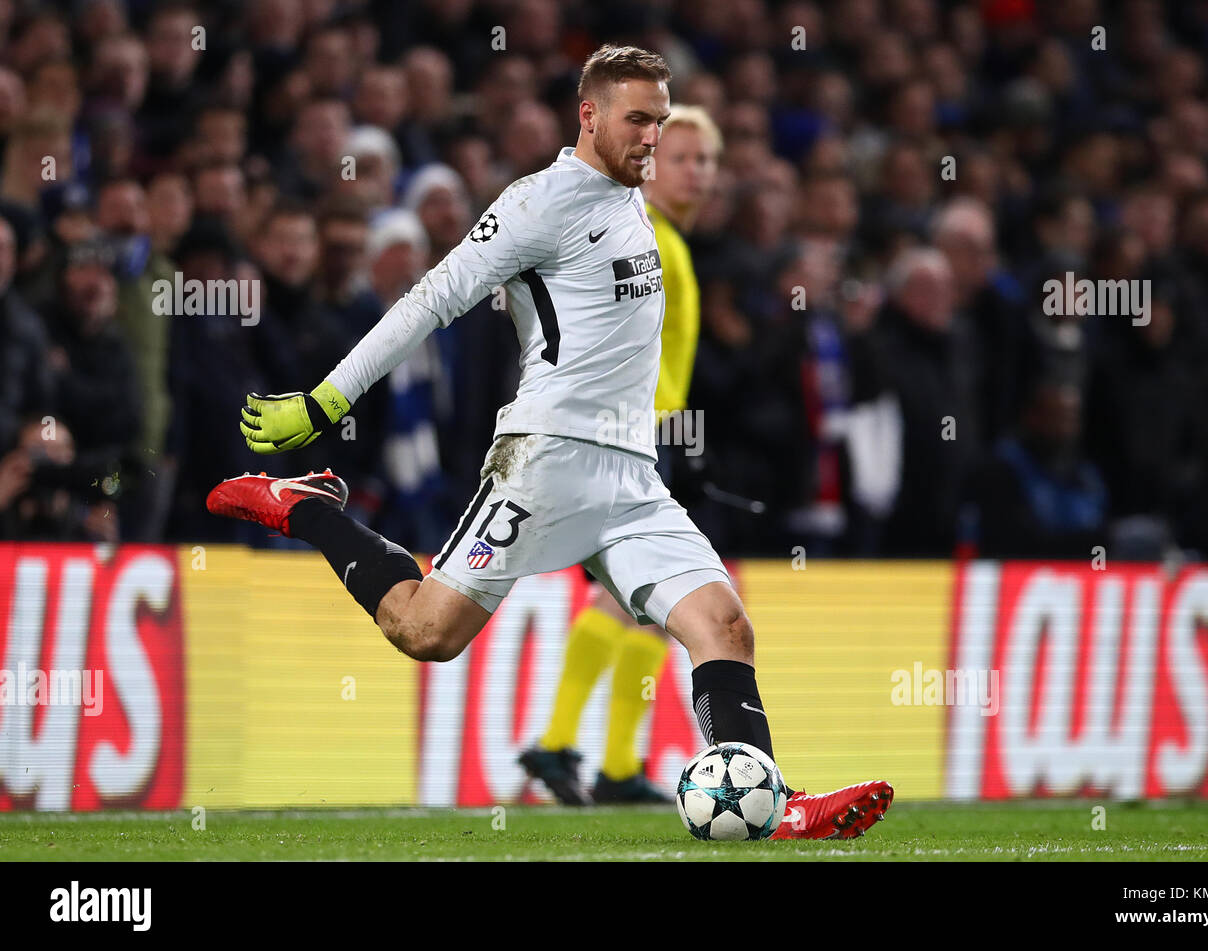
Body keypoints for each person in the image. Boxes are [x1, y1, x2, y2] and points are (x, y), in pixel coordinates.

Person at [207, 45, 892, 839]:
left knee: (725, 624)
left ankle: (772, 803)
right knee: (425, 632)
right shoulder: (540, 202)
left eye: (662, 122)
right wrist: (328, 399)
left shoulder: (632, 198)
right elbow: (432, 299)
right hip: (545, 459)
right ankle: (309, 508)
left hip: (633, 476)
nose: (653, 139)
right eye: (638, 119)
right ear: (589, 115)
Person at [517, 105, 722, 805]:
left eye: (707, 160)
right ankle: (568, 748)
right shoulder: (642, 237)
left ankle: (604, 761)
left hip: (639, 436)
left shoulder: (661, 239)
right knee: (640, 596)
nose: (696, 171)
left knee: (636, 602)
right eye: (683, 156)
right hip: (625, 438)